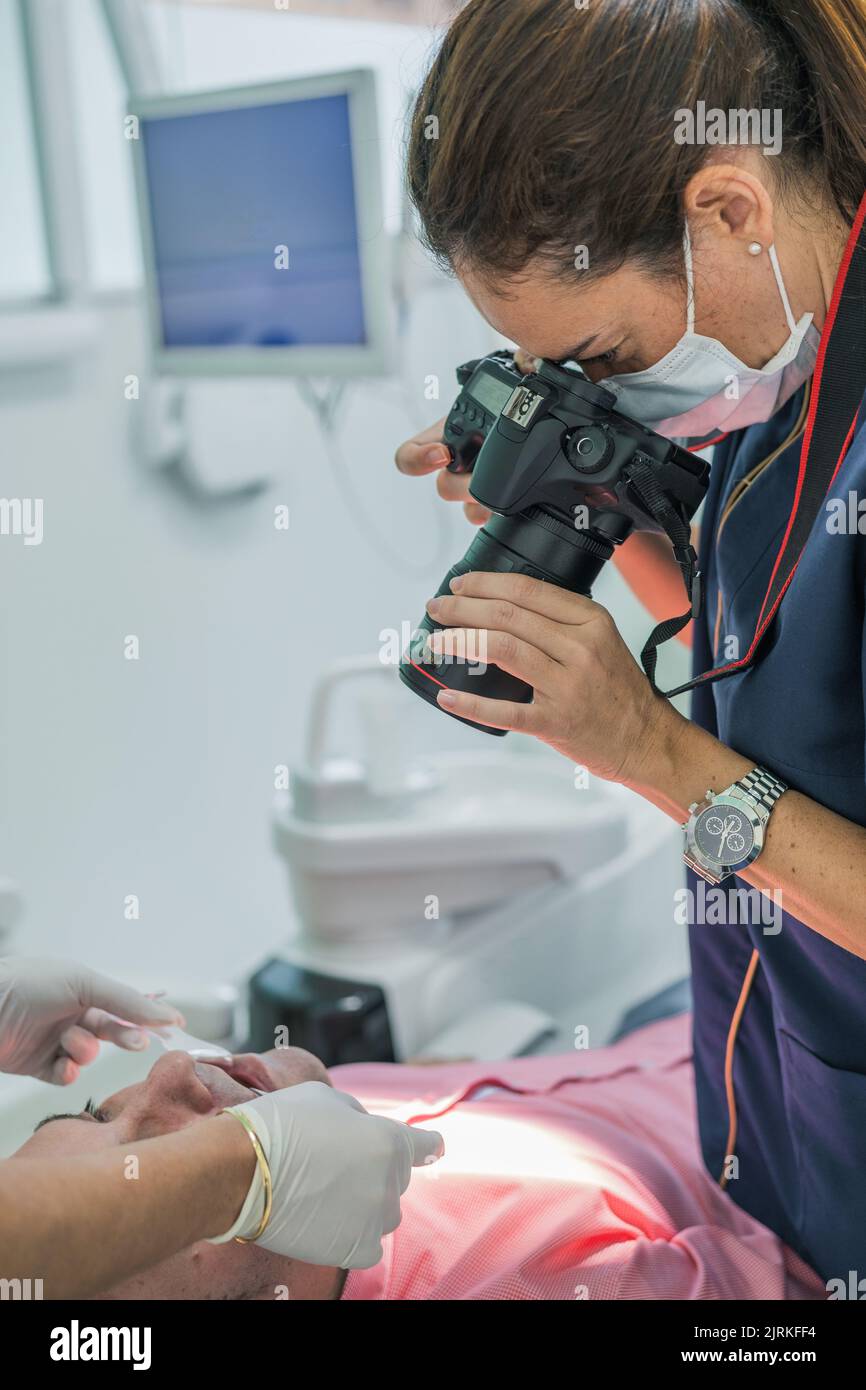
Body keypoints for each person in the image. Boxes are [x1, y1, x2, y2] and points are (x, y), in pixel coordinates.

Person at [394, 0, 866, 1283]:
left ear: (726, 208)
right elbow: (756, 645)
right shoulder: (786, 365)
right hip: (784, 1119)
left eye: (599, 358)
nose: (601, 392)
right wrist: (572, 497)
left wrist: (644, 751)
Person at [13, 1023, 825, 1300]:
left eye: (96, 1109)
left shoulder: (307, 1098)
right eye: (165, 1162)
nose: (166, 1074)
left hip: (718, 1024)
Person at [0, 957, 442, 1296]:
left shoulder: (329, 1090)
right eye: (160, 1159)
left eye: (99, 1113)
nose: (172, 1067)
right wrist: (244, 1162)